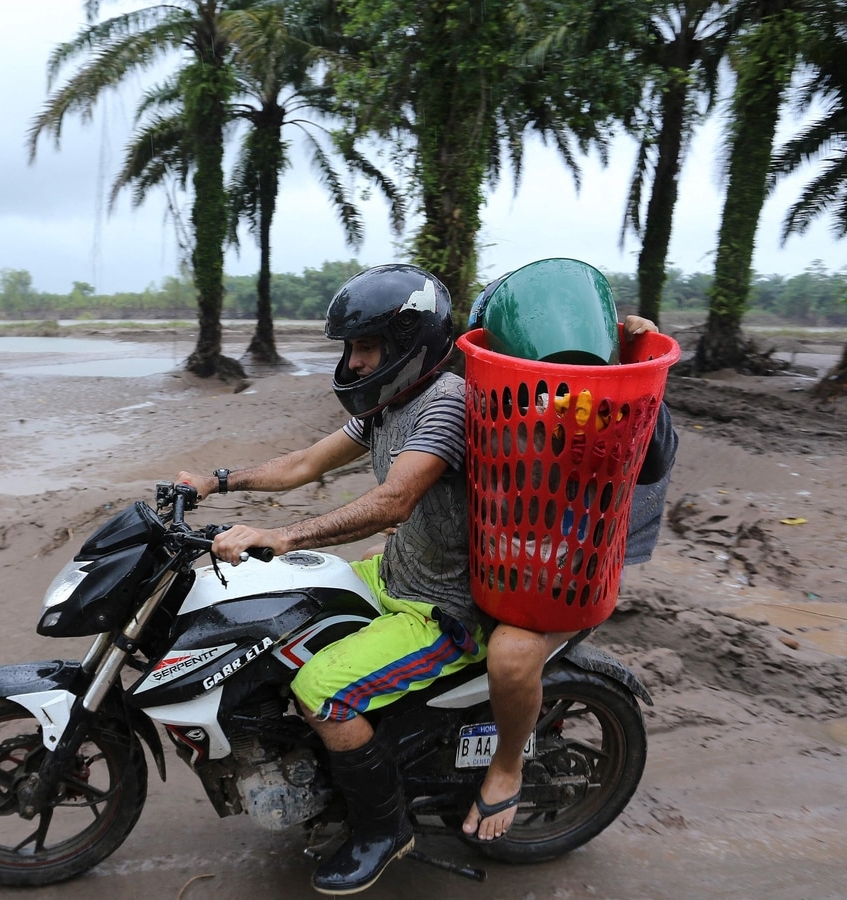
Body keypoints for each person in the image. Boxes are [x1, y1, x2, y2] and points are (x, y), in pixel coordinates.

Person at [178, 261, 674, 896]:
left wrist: (281, 535)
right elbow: (304, 462)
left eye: (365, 347)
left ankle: (383, 830)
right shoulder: (391, 403)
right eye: (352, 348)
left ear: (408, 344)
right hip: (394, 572)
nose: (355, 363)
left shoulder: (445, 405)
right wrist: (218, 482)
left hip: (442, 609)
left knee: (323, 691)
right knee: (276, 612)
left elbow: (392, 503)